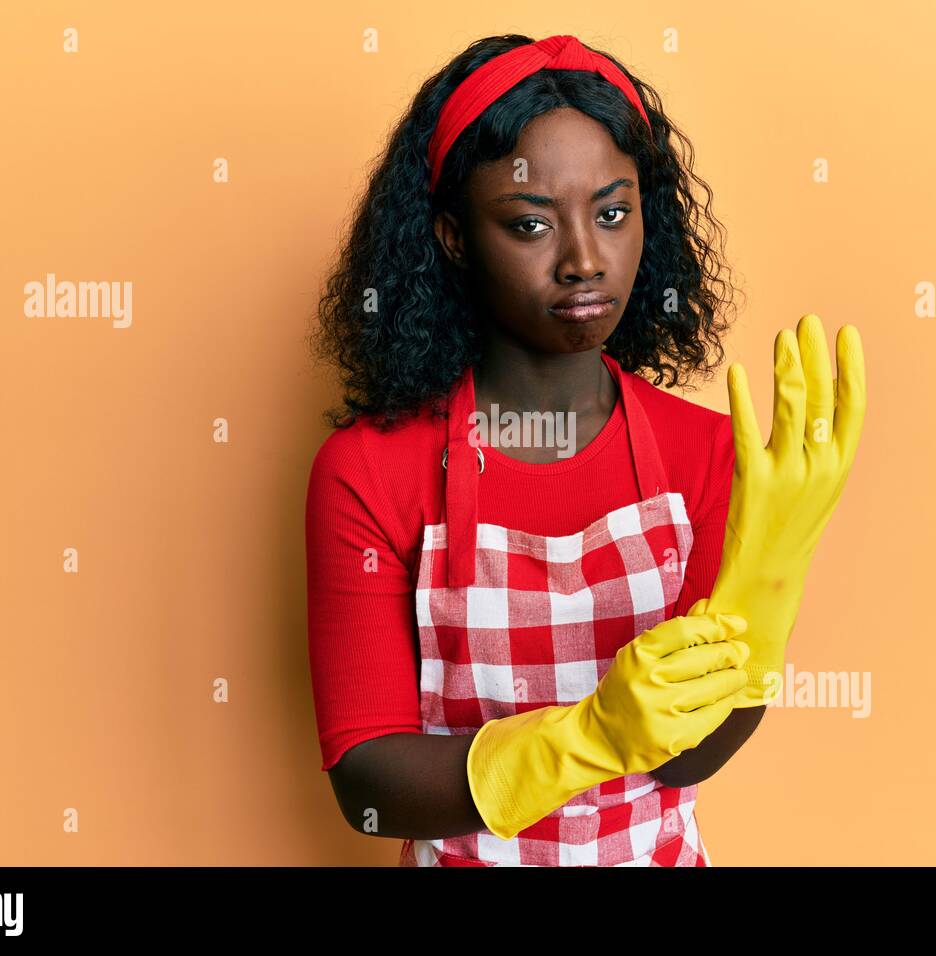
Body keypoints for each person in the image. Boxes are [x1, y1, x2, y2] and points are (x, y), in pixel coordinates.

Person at [307, 33, 764, 867]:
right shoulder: (370, 474)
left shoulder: (708, 453)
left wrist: (779, 562)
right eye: (529, 224)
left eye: (614, 212)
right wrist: (586, 736)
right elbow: (367, 784)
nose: (585, 260)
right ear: (452, 236)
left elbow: (692, 753)